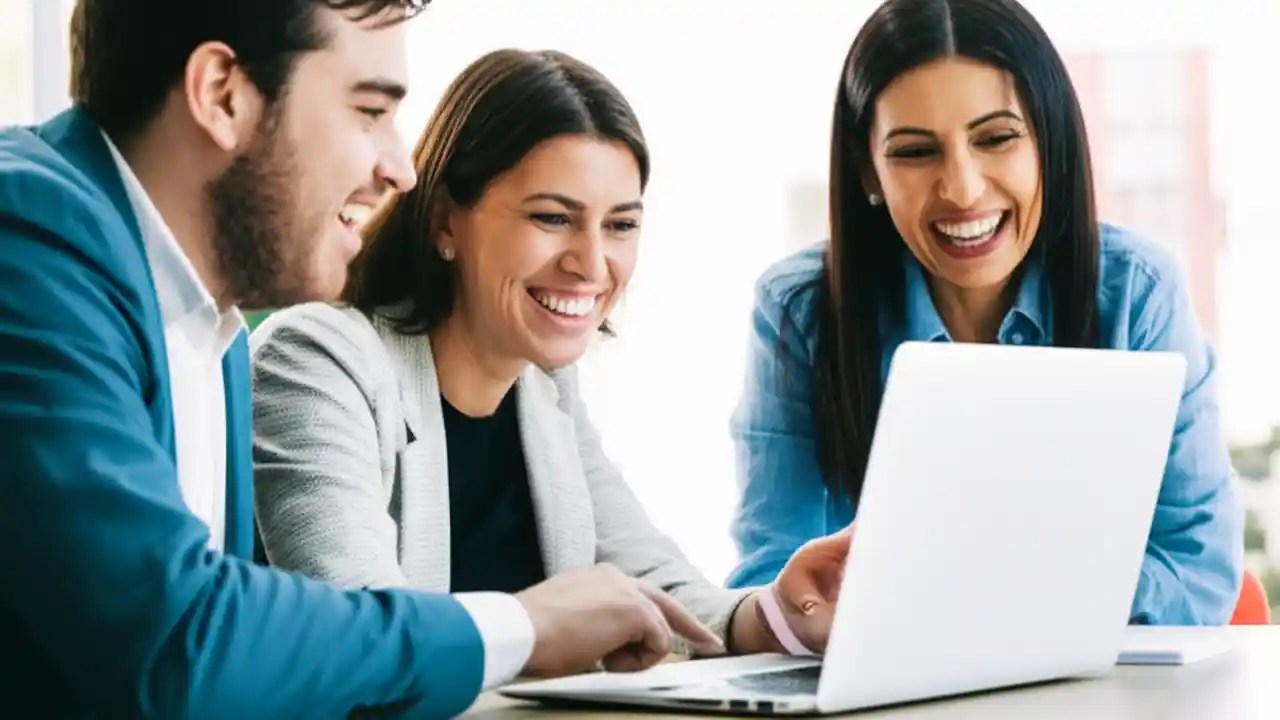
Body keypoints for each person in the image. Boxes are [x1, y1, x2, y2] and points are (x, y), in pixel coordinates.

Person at [0, 3, 767, 717]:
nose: (400, 167)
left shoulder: (211, 329)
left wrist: (777, 617)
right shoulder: (30, 242)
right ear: (222, 94)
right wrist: (522, 627)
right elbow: (176, 638)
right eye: (369, 111)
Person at [250, 47, 852, 663]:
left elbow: (658, 588)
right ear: (443, 223)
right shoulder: (316, 359)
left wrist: (785, 608)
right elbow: (362, 631)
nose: (591, 266)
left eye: (619, 226)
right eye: (551, 218)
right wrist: (531, 627)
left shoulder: (544, 389)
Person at [726, 0, 1243, 626]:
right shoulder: (801, 309)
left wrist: (975, 588)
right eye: (915, 152)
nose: (963, 189)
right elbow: (774, 577)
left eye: (996, 138)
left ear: (1048, 142)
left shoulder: (1138, 292)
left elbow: (1198, 571)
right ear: (869, 170)